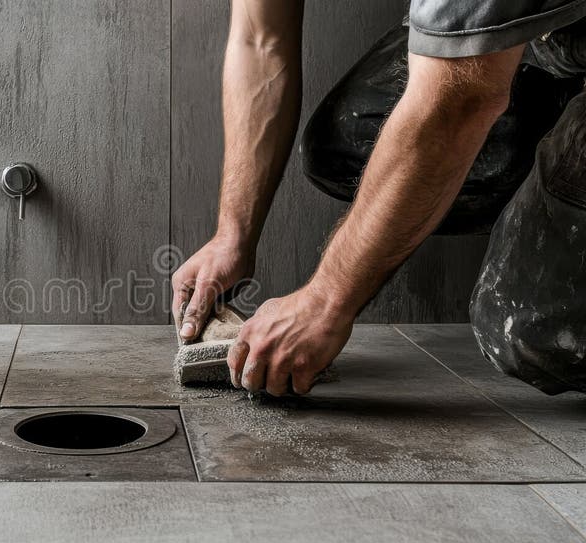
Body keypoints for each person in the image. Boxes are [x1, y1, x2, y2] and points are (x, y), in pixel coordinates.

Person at [172, 0, 586, 396]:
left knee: (528, 329)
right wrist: (233, 235)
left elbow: (460, 97)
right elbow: (260, 42)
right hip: (542, 32)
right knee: (348, 144)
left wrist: (326, 302)